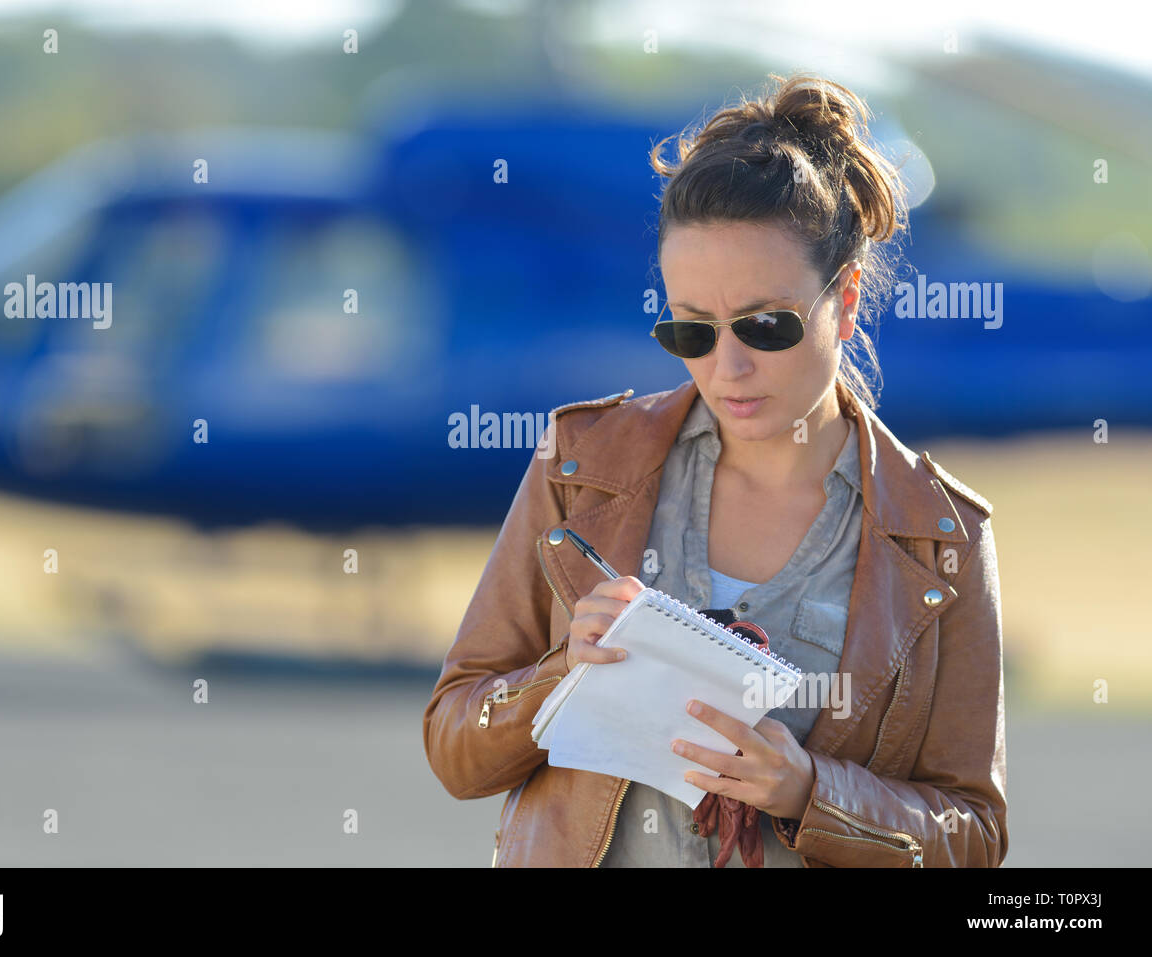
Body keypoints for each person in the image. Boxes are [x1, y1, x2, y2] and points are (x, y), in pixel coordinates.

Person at [423, 72, 1007, 867]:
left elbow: (974, 833)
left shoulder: (943, 536)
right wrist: (560, 676)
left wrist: (811, 791)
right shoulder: (580, 465)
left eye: (766, 325)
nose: (728, 367)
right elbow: (455, 743)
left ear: (849, 296)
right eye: (691, 330)